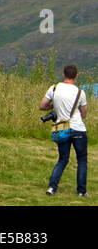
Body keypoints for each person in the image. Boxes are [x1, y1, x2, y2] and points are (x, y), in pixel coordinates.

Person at [43, 64, 87, 197]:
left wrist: (53, 105)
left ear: (64, 74)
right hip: (78, 129)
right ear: (76, 76)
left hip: (62, 129)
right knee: (82, 160)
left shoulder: (54, 88)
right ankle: (81, 192)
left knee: (62, 159)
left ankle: (52, 187)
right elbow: (84, 114)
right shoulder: (80, 92)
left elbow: (43, 105)